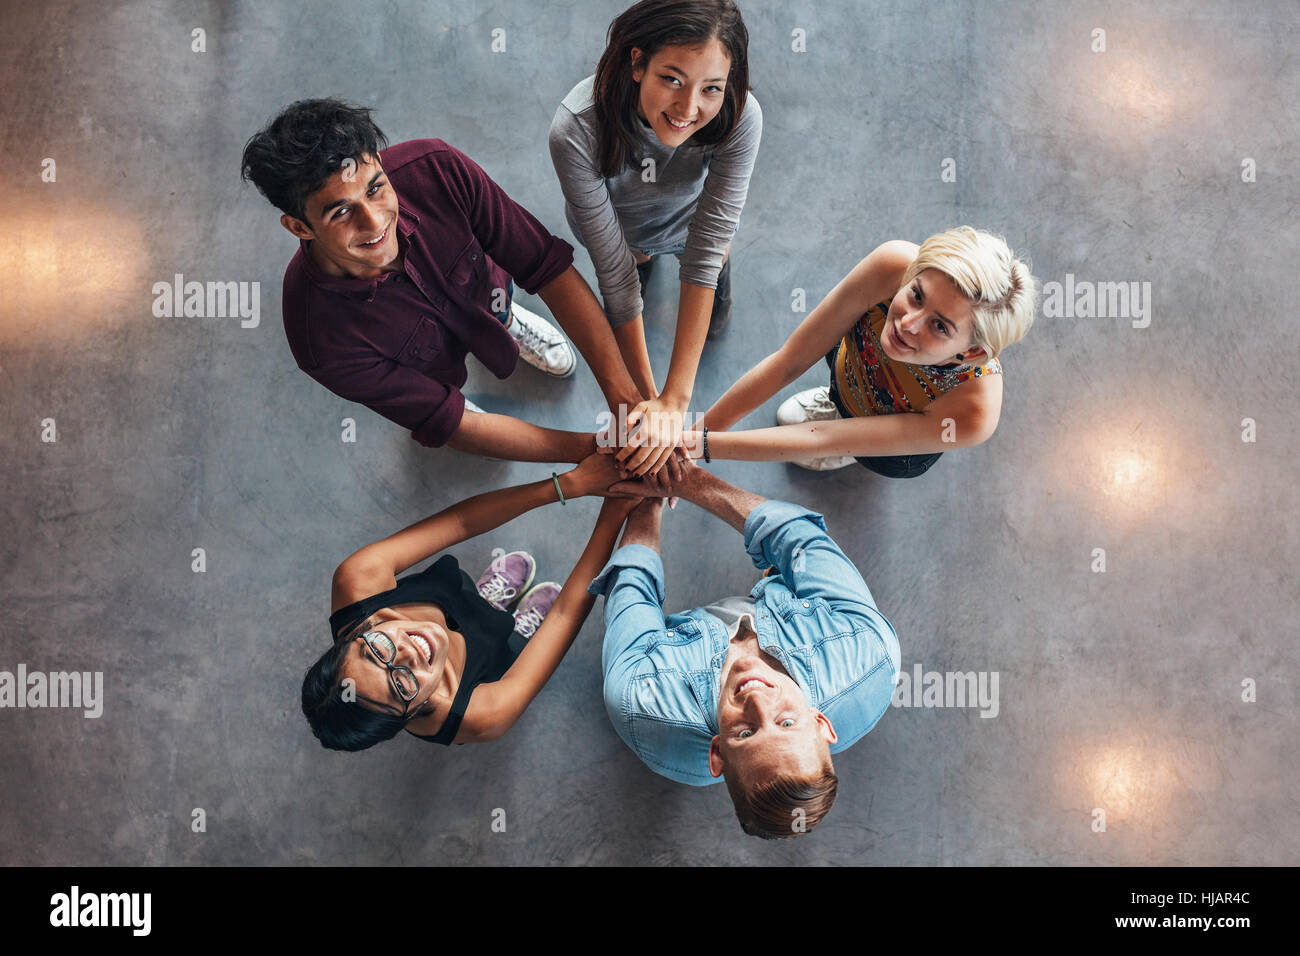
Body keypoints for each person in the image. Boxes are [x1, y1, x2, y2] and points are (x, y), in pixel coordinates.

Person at [241, 98, 645, 464]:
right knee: (450, 401)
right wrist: (599, 452)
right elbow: (447, 421)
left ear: (380, 164)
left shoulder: (437, 167)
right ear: (299, 226)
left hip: (486, 293)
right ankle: (469, 390)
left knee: (495, 302)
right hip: (430, 370)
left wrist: (627, 406)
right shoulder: (320, 341)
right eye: (341, 213)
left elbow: (544, 264)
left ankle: (505, 321)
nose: (375, 221)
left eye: (376, 188)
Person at [588, 458, 900, 838]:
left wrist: (649, 499)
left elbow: (633, 586)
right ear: (820, 723)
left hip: (670, 666)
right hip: (788, 605)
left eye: (745, 733)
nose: (757, 701)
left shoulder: (642, 703)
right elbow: (799, 538)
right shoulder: (866, 651)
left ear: (717, 753)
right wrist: (682, 477)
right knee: (797, 567)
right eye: (786, 722)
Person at [549, 0, 762, 477]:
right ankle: (652, 265)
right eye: (672, 79)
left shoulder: (741, 116)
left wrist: (676, 401)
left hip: (693, 227)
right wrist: (650, 405)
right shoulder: (577, 130)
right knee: (633, 280)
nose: (689, 109)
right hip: (622, 238)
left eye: (711, 88)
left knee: (714, 278)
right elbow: (615, 275)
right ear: (637, 62)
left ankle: (711, 314)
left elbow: (706, 250)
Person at [303, 453, 636, 750]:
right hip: (492, 662)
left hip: (456, 598)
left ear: (351, 638)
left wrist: (569, 484)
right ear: (415, 713)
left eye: (377, 650)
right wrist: (617, 507)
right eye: (402, 684)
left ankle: (484, 601)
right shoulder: (482, 716)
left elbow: (460, 523)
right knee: (517, 644)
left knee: (475, 609)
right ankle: (516, 631)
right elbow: (563, 616)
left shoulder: (357, 581)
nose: (404, 653)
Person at [693, 227, 1039, 477]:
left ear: (973, 352)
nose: (908, 324)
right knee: (837, 362)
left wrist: (696, 448)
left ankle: (856, 446)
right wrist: (697, 436)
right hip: (851, 367)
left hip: (895, 437)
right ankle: (841, 406)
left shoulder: (973, 413)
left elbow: (821, 439)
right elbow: (790, 360)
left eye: (940, 326)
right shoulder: (894, 266)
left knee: (849, 442)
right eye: (916, 295)